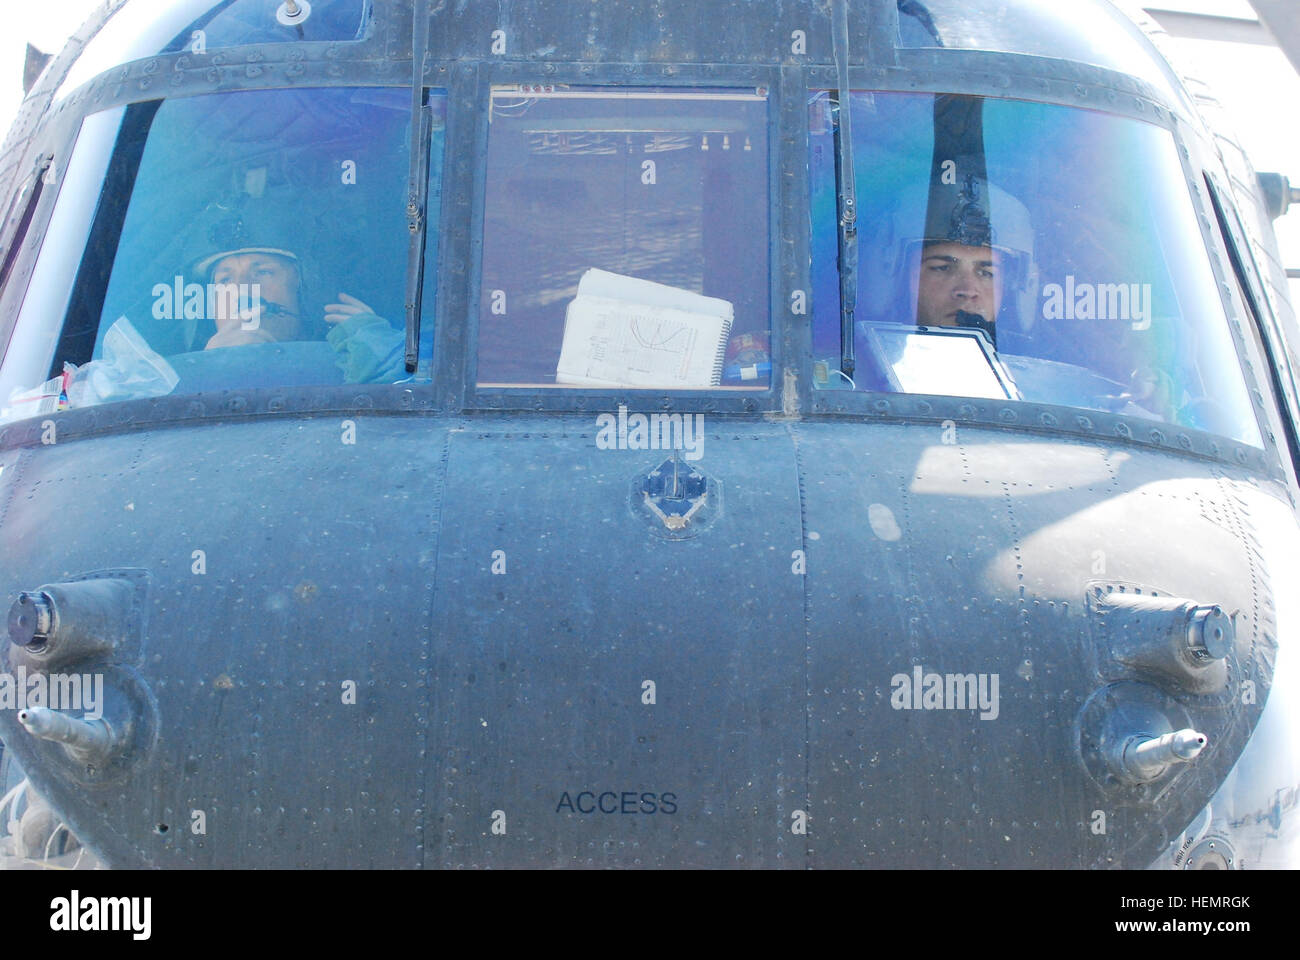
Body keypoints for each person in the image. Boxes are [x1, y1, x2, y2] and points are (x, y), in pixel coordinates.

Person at [195, 245, 406, 383]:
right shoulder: (183, 381)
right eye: (225, 280)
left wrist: (381, 357)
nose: (241, 287)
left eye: (263, 272)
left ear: (301, 287)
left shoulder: (351, 356)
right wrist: (210, 367)